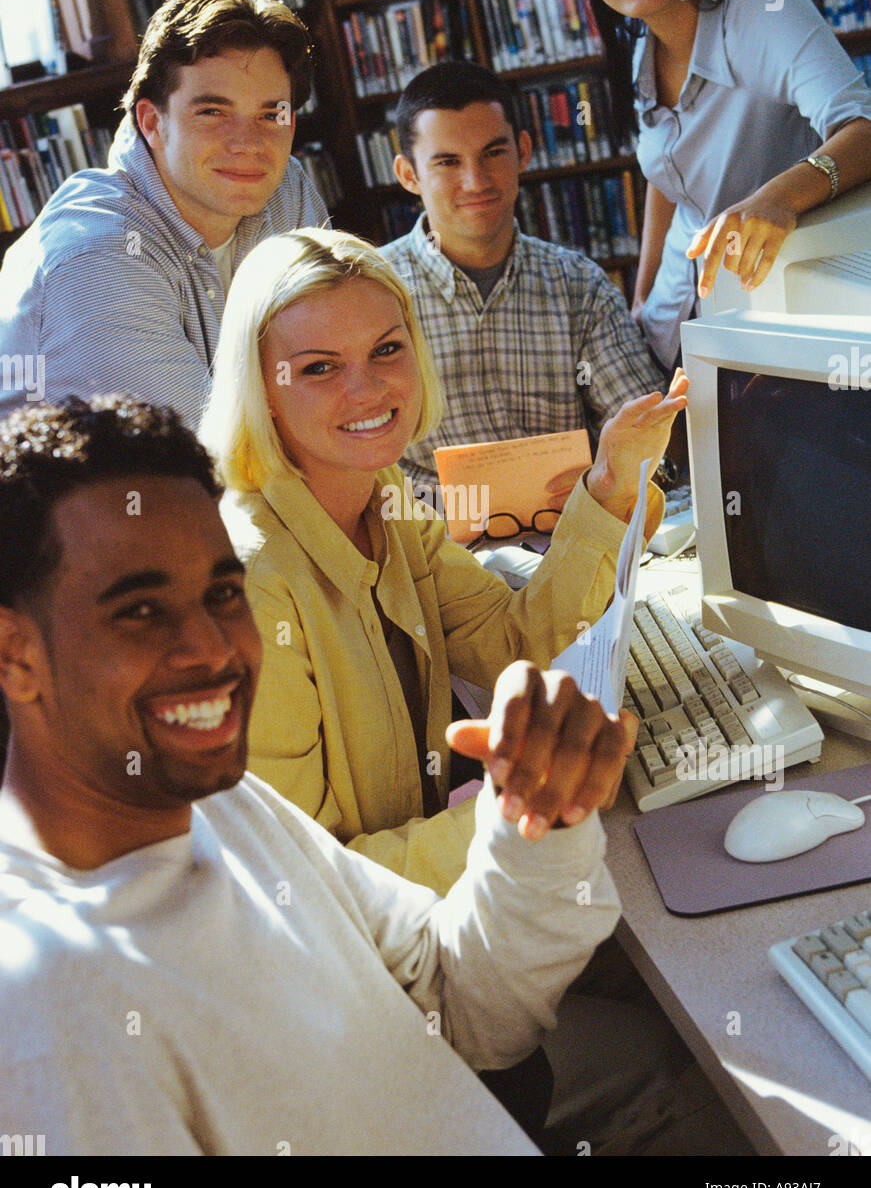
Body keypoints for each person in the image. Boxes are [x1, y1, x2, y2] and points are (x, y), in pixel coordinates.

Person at [0, 393, 633, 1156]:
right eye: (139, 611)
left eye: (223, 594)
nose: (213, 648)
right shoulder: (44, 1002)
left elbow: (455, 1002)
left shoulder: (229, 808)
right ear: (15, 654)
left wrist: (533, 822)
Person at [200, 226, 686, 895]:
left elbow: (519, 644)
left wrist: (608, 487)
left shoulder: (383, 496)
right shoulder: (252, 585)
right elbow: (308, 886)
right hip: (360, 964)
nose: (367, 390)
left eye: (386, 350)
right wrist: (527, 806)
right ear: (261, 388)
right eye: (318, 367)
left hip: (428, 904)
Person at [558, 0, 871, 369]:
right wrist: (642, 292)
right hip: (668, 330)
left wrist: (778, 197)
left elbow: (863, 127)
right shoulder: (641, 48)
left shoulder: (760, 4)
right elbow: (667, 175)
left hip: (769, 327)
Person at [0, 0, 329, 428]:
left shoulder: (284, 189)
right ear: (153, 122)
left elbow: (336, 367)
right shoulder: (97, 259)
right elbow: (210, 457)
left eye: (271, 115)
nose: (249, 144)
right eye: (213, 112)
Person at [379, 60, 666, 494]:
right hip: (427, 549)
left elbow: (644, 436)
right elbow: (356, 465)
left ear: (524, 151)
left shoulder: (580, 287)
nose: (475, 181)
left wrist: (609, 482)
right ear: (408, 175)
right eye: (448, 162)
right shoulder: (371, 294)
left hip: (572, 533)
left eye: (493, 153)